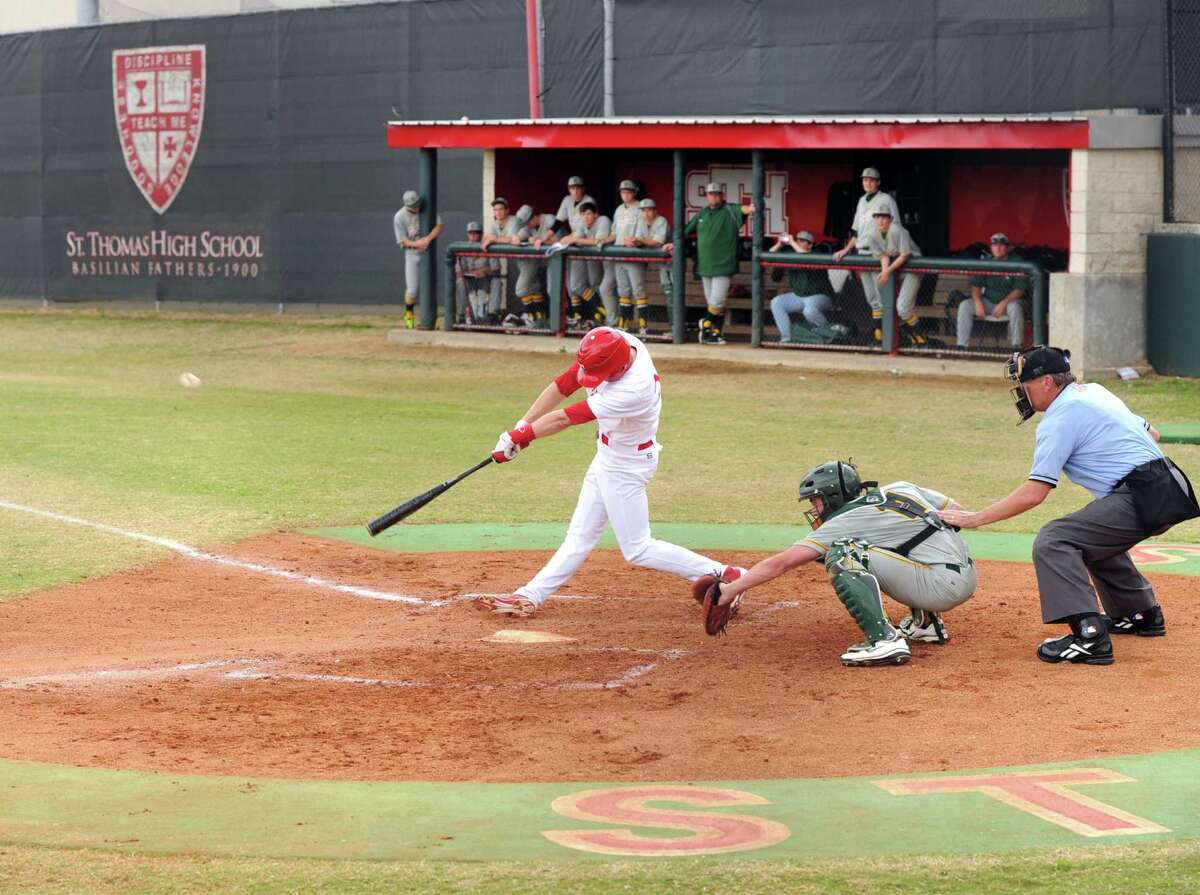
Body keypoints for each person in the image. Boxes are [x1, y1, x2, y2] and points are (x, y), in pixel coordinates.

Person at [940, 346, 1199, 666]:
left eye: (1025, 382)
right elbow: (1153, 433)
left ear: (1047, 381)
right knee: (1094, 534)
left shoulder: (1059, 419)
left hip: (1142, 495)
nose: (1021, 391)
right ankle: (1139, 614)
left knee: (1056, 539)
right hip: (1170, 484)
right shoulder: (1093, 391)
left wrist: (975, 518)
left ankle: (1088, 636)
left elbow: (1036, 492)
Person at [475, 327, 745, 617]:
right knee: (578, 537)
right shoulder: (612, 343)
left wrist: (520, 437)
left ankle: (728, 574)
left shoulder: (633, 389)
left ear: (620, 367)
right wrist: (520, 427)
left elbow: (565, 418)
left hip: (627, 464)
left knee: (638, 548)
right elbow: (564, 384)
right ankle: (529, 596)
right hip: (608, 456)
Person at [711, 460, 976, 667]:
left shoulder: (844, 521)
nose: (814, 509)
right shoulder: (899, 488)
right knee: (893, 543)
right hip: (965, 574)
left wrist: (731, 590)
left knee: (843, 552)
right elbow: (957, 511)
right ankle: (926, 624)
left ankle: (885, 642)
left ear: (831, 497)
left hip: (940, 587)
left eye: (815, 500)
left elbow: (782, 563)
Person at [663, 182, 750, 345]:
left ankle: (705, 322)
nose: (714, 197)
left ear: (721, 196)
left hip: (723, 265)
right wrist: (674, 243)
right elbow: (686, 231)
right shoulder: (702, 213)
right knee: (715, 303)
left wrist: (751, 208)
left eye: (717, 194)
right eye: (711, 194)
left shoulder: (729, 210)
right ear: (707, 196)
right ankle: (713, 334)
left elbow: (746, 210)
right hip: (705, 265)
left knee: (717, 301)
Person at [832, 167, 901, 344]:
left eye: (871, 180)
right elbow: (856, 231)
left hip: (878, 254)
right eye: (865, 180)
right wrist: (846, 250)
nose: (867, 183)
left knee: (882, 295)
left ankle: (889, 337)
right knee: (871, 296)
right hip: (862, 252)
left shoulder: (886, 199)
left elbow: (896, 225)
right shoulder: (862, 201)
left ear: (878, 182)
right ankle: (879, 333)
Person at [857, 208, 928, 346]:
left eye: (884, 217)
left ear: (890, 219)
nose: (881, 220)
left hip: (913, 268)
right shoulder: (872, 234)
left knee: (902, 308)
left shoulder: (898, 230)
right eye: (877, 217)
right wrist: (884, 271)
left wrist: (887, 271)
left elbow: (905, 255)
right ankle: (913, 338)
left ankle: (923, 339)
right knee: (886, 304)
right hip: (897, 269)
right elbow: (883, 255)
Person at [956, 233, 1028, 350]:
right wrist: (978, 303)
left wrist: (1003, 303)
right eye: (995, 245)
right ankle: (962, 346)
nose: (998, 248)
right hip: (989, 302)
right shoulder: (987, 261)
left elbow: (1019, 290)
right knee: (965, 305)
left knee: (1014, 307)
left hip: (1011, 302)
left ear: (1008, 247)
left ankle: (1017, 347)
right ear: (991, 248)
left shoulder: (1017, 261)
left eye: (1001, 245)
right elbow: (976, 286)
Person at [767, 230, 836, 343]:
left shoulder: (817, 253)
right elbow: (769, 256)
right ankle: (786, 339)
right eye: (797, 239)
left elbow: (805, 257)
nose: (798, 242)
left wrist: (792, 242)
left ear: (810, 245)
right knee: (776, 302)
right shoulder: (791, 253)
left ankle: (830, 334)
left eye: (802, 241)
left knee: (809, 310)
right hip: (799, 296)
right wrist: (780, 244)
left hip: (821, 296)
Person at [393, 189, 444, 329]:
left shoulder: (426, 209)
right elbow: (402, 240)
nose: (417, 207)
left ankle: (430, 321)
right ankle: (409, 315)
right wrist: (417, 243)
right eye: (413, 206)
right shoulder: (400, 216)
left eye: (417, 204)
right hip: (412, 254)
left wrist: (427, 239)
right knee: (412, 289)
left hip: (427, 251)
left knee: (431, 285)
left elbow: (439, 225)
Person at [557, 202, 612, 329]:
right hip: (592, 259)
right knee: (582, 286)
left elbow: (598, 241)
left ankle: (607, 317)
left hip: (609, 260)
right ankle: (601, 313)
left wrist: (575, 240)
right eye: (583, 214)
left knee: (602, 287)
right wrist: (567, 239)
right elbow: (575, 236)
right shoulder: (583, 223)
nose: (586, 217)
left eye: (588, 214)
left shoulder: (603, 220)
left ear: (595, 215)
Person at [625, 197, 671, 335]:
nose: (646, 213)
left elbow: (657, 242)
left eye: (649, 210)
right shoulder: (641, 221)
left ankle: (674, 329)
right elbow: (640, 240)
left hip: (669, 260)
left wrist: (639, 240)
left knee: (669, 290)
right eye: (643, 210)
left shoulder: (661, 221)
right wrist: (634, 241)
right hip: (653, 259)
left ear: (655, 211)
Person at [513, 204, 556, 327]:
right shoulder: (529, 227)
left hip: (563, 259)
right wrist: (518, 238)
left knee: (556, 290)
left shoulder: (549, 220)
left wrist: (540, 239)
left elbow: (562, 240)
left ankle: (561, 322)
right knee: (541, 289)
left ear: (534, 216)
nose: (527, 225)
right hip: (547, 261)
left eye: (528, 222)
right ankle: (541, 321)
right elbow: (519, 236)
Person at [610, 180, 642, 331]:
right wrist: (602, 240)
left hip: (633, 254)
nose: (626, 195)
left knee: (638, 289)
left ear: (634, 192)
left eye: (629, 192)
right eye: (623, 192)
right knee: (623, 290)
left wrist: (637, 240)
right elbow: (614, 233)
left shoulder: (640, 208)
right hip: (619, 253)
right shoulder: (618, 210)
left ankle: (643, 326)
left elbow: (642, 233)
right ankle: (624, 324)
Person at [455, 221, 499, 325]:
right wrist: (473, 272)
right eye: (471, 233)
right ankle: (462, 315)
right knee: (460, 282)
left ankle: (493, 315)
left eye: (476, 233)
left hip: (485, 280)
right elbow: (459, 272)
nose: (473, 235)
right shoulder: (463, 248)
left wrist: (484, 271)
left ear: (481, 234)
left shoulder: (488, 247)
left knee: (497, 281)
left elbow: (496, 268)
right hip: (469, 282)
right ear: (468, 234)